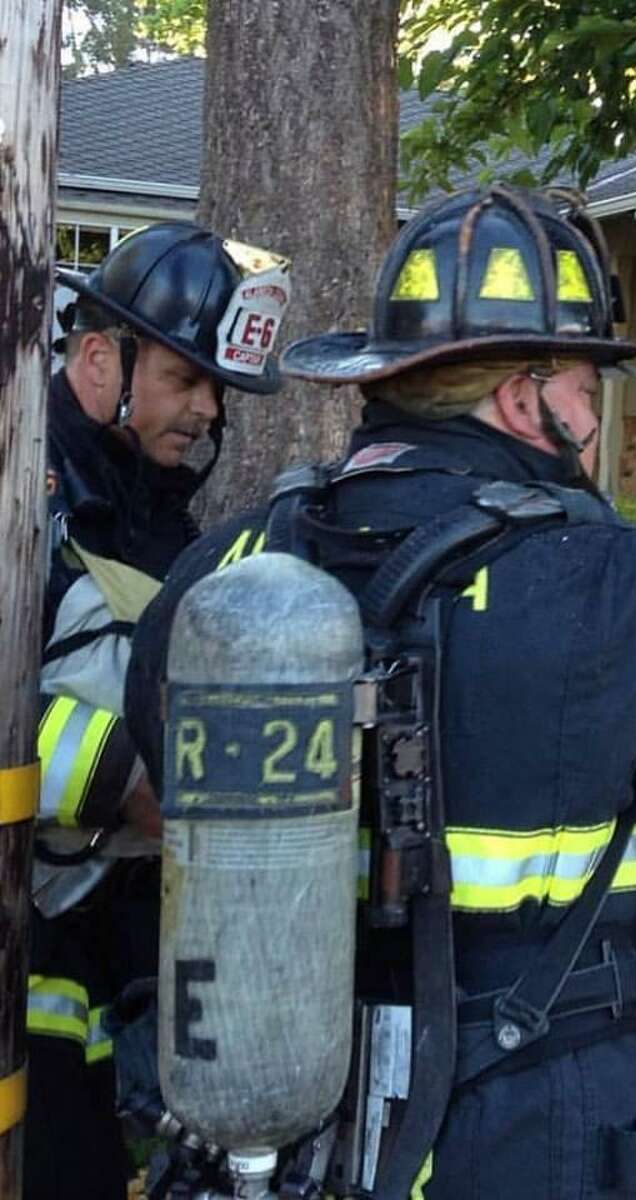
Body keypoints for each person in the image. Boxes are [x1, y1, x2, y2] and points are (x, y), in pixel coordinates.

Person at [123, 184, 636, 1199]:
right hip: (538, 1121)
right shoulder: (598, 581)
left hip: (296, 1114)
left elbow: (155, 733)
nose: (592, 411)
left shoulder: (234, 563)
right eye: (586, 382)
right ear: (525, 396)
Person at [29, 221, 292, 1200]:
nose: (208, 409)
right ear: (101, 357)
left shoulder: (158, 515)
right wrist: (129, 777)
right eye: (187, 378)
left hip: (123, 947)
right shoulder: (22, 492)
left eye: (216, 387)